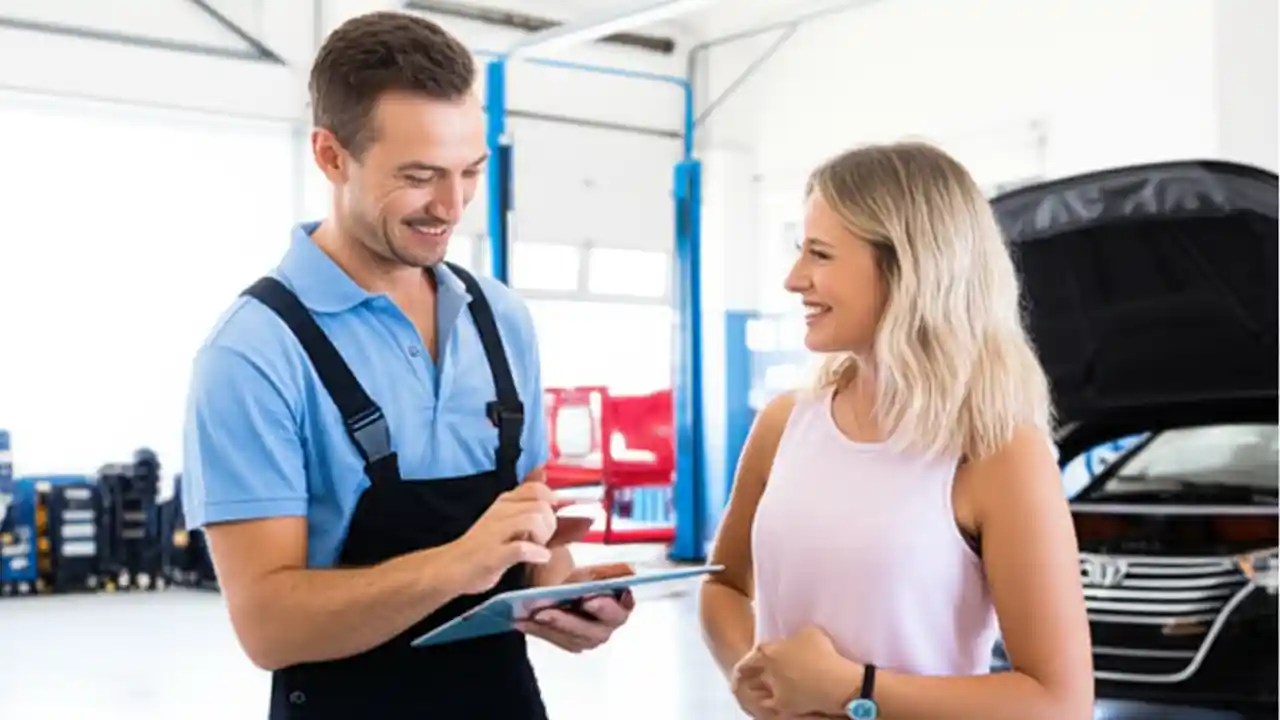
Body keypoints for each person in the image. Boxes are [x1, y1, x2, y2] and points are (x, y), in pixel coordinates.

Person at [181, 11, 633, 719]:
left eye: (470, 172)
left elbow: (526, 512)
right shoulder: (255, 353)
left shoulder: (502, 319)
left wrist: (559, 591)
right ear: (332, 156)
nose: (451, 207)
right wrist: (459, 565)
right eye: (419, 176)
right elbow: (269, 625)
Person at [699, 142, 1094, 719]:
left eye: (820, 254)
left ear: (907, 267)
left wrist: (853, 688)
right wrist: (754, 679)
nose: (793, 278)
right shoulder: (784, 424)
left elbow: (1058, 703)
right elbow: (724, 587)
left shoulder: (997, 451)